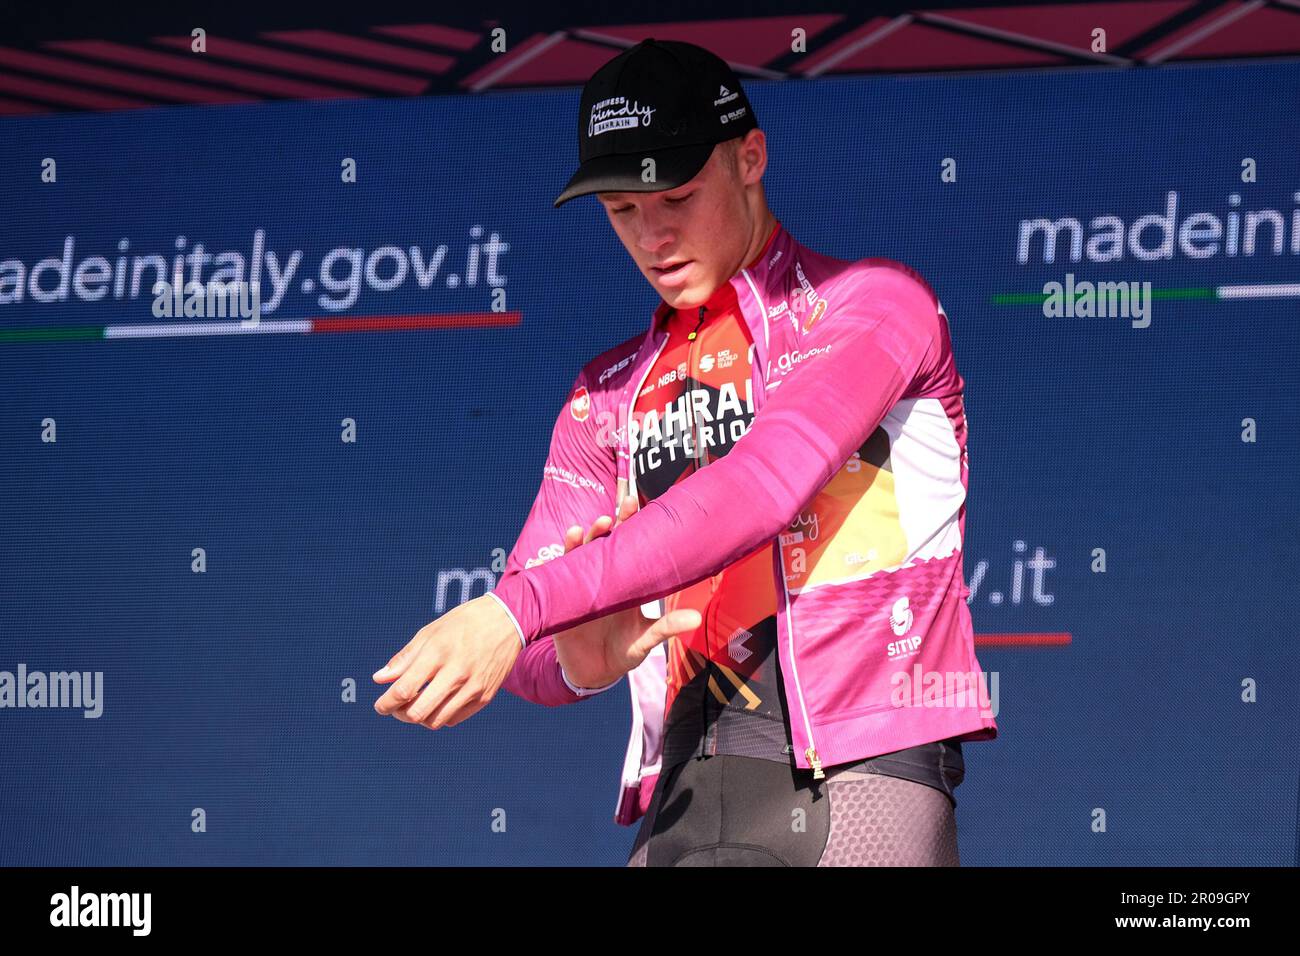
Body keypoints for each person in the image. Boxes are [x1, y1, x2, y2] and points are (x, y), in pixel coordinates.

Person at [373, 38, 997, 866]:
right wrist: (576, 657)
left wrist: (519, 610)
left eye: (675, 195)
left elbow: (761, 487)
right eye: (622, 212)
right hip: (687, 793)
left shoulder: (874, 305)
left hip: (865, 766)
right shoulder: (606, 394)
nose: (653, 236)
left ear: (750, 156)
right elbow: (525, 654)